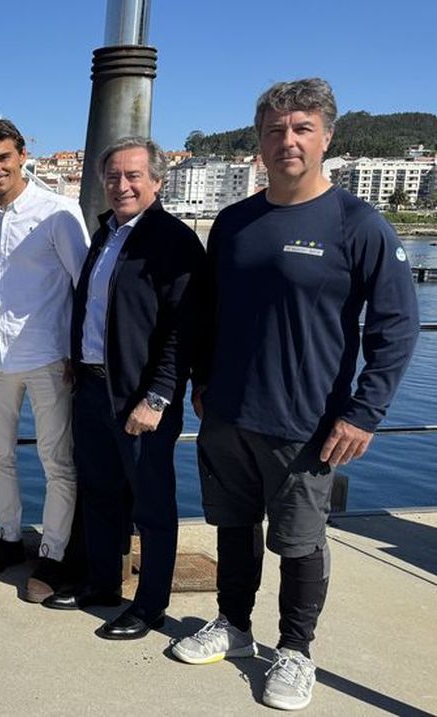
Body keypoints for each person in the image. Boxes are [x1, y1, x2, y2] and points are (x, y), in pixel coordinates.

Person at [173, 78, 419, 711]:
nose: (288, 140)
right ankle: (233, 627)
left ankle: (296, 650)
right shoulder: (233, 223)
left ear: (327, 138)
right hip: (228, 413)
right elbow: (208, 313)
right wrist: (202, 381)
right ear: (258, 141)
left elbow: (397, 326)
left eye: (302, 128)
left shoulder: (357, 224)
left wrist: (364, 413)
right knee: (231, 528)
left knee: (302, 542)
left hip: (308, 422)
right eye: (276, 129)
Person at [42, 137, 203, 643]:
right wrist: (75, 355)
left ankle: (151, 605)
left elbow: (184, 328)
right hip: (91, 387)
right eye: (113, 176)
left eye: (133, 176)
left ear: (157, 180)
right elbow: (90, 304)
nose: (122, 185)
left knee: (152, 505)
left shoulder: (173, 241)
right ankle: (102, 583)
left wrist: (158, 397)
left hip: (140, 398)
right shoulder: (105, 233)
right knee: (100, 493)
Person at [0, 118, 88, 602]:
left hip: (47, 356)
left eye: (3, 158)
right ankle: (9, 538)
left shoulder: (59, 212)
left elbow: (85, 286)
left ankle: (55, 554)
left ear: (22, 155)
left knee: (56, 460)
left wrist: (77, 354)